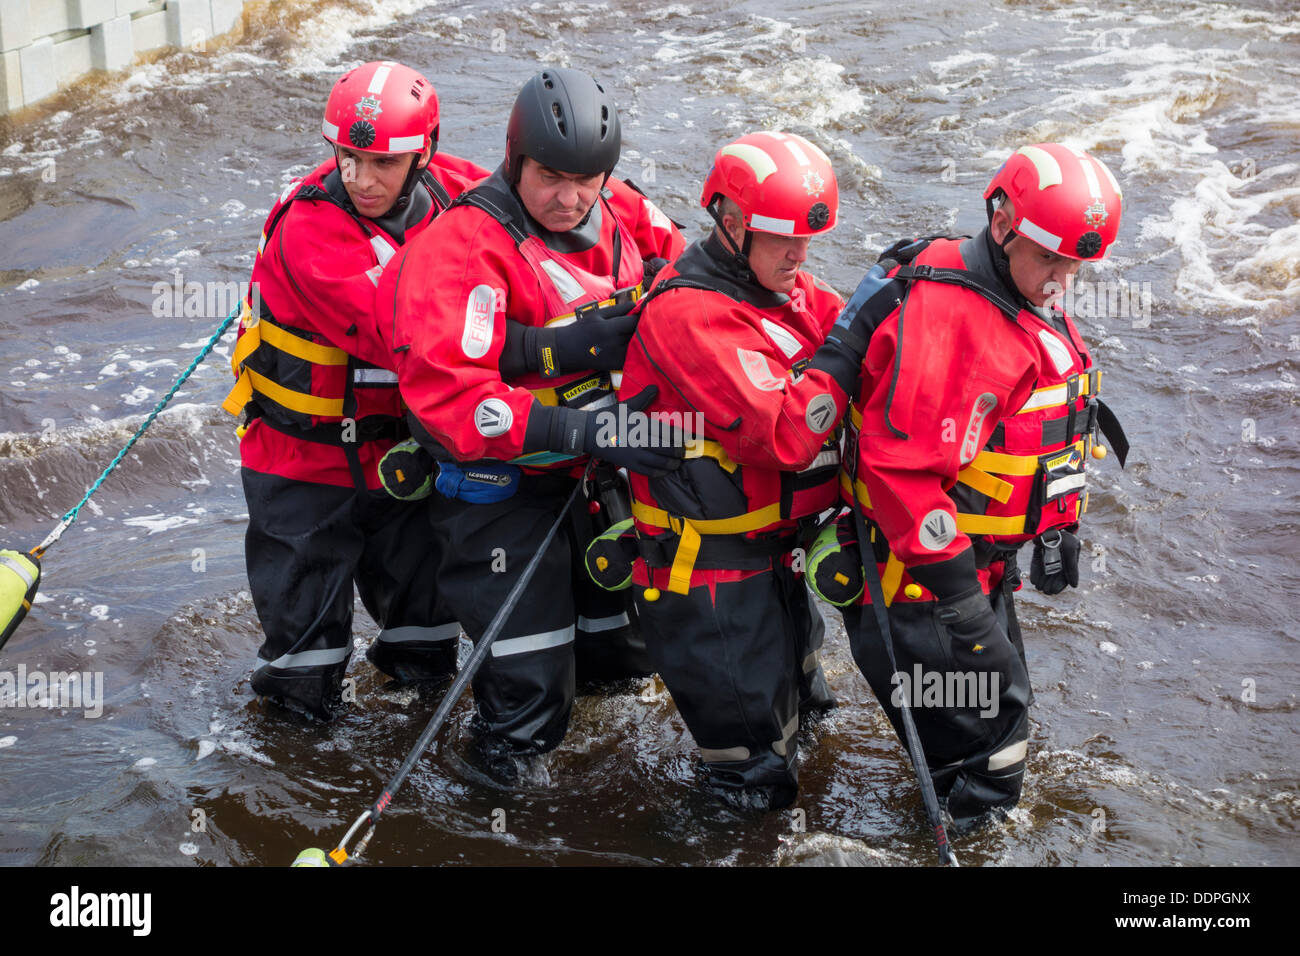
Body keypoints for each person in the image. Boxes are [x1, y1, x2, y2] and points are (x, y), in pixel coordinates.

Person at [814, 142, 1129, 831]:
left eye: (1075, 265)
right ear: (1002, 224)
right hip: (916, 584)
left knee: (992, 738)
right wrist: (962, 607)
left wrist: (1054, 529)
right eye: (1049, 259)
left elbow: (1032, 435)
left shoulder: (1018, 290)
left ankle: (938, 821)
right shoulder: (956, 324)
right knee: (990, 755)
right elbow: (901, 476)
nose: (1061, 280)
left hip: (965, 569)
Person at [384, 68, 686, 763]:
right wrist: (585, 425)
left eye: (588, 180)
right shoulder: (463, 248)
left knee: (620, 667)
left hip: (599, 482)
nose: (569, 198)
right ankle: (492, 810)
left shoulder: (620, 212)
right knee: (528, 698)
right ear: (517, 158)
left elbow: (691, 276)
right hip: (501, 496)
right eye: (550, 176)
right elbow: (451, 402)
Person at [617, 131, 874, 810]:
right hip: (710, 583)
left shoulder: (782, 287)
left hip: (773, 561)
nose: (800, 255)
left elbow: (857, 340)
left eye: (807, 241)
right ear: (730, 227)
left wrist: (910, 300)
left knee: (811, 721)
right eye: (781, 239)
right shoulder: (689, 315)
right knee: (752, 780)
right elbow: (788, 435)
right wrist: (851, 341)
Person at [223, 61, 488, 720]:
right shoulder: (309, 232)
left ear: (422, 154)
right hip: (303, 469)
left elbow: (542, 214)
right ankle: (294, 790)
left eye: (380, 164)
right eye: (347, 158)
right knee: (301, 678)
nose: (360, 179)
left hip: (400, 463)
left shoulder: (461, 189)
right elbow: (407, 337)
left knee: (425, 648)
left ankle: (414, 770)